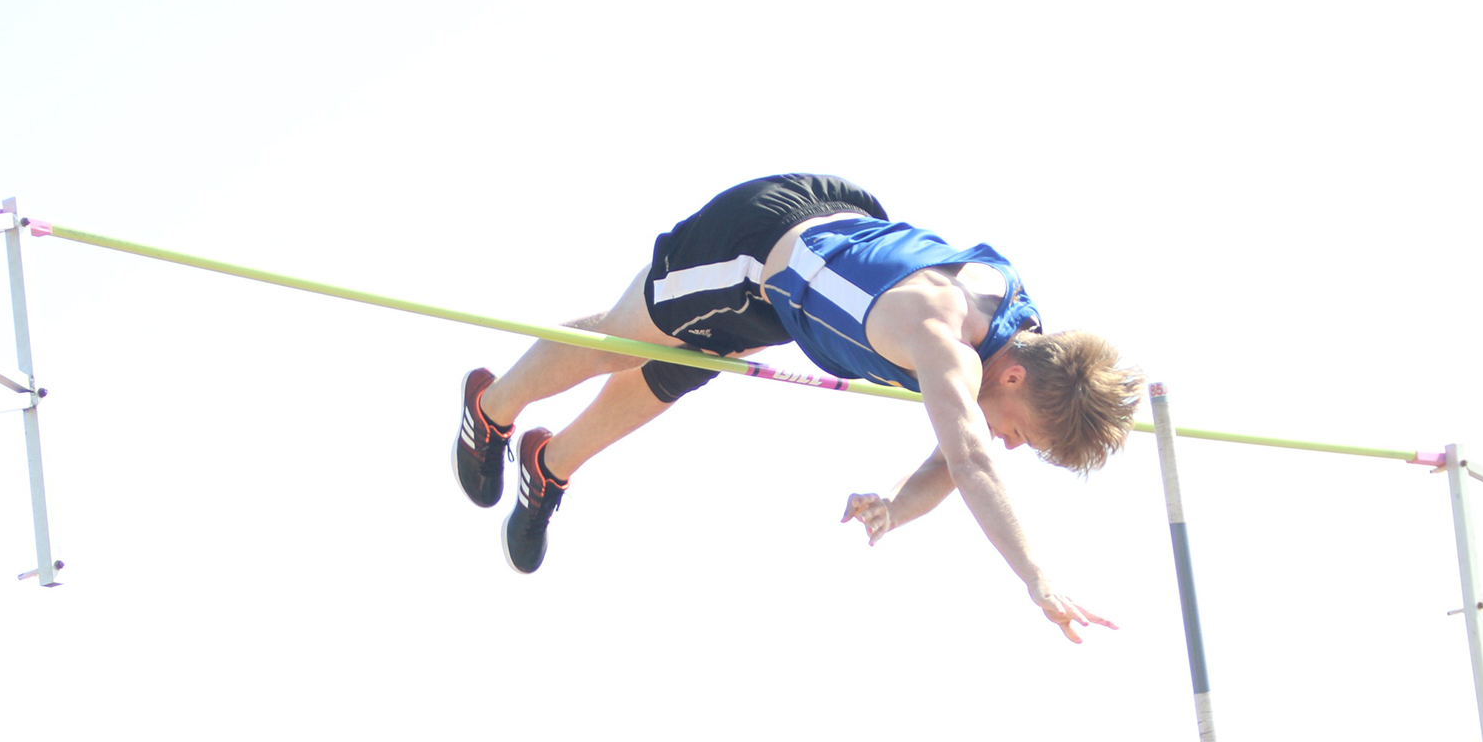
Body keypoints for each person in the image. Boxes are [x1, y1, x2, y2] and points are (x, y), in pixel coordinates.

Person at [453, 174, 1142, 642]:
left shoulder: (1018, 333)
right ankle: (491, 409)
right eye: (1022, 434)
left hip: (812, 269)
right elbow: (970, 459)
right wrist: (1037, 576)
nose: (1012, 446)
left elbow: (961, 451)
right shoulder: (946, 342)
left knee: (676, 370)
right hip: (757, 246)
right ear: (1015, 377)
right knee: (621, 341)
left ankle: (549, 467)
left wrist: (896, 505)